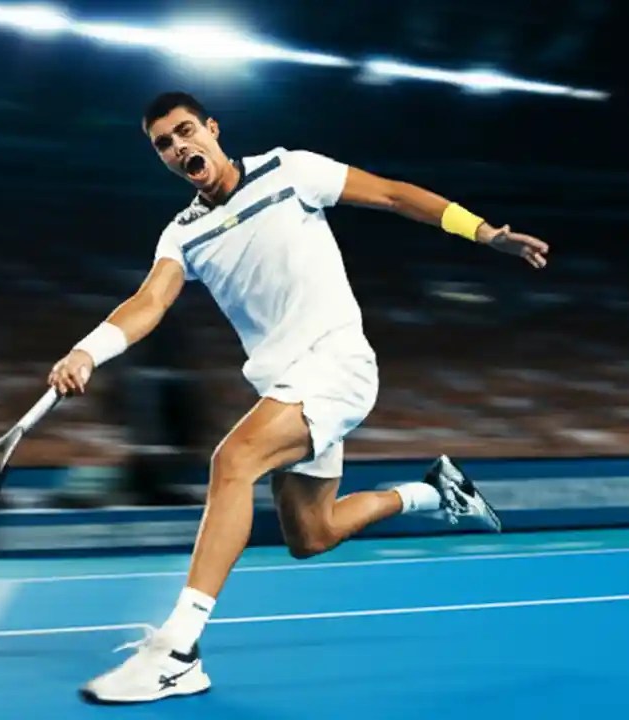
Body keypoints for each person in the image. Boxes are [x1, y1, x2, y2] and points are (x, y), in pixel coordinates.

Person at [47, 91, 549, 705]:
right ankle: (434, 492)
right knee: (310, 534)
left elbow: (391, 194)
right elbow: (150, 302)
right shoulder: (182, 233)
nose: (179, 148)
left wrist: (482, 232)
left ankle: (178, 651)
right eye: (164, 145)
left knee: (232, 461)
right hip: (284, 386)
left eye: (185, 132)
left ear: (212, 128)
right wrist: (86, 351)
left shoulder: (290, 171)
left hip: (336, 364)